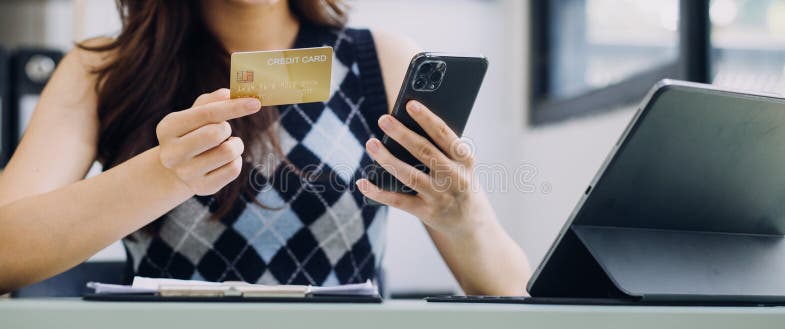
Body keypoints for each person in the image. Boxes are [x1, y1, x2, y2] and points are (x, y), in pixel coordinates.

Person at [0, 0, 530, 295]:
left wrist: (464, 217)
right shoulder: (104, 69)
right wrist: (162, 174)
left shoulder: (381, 62)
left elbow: (513, 294)